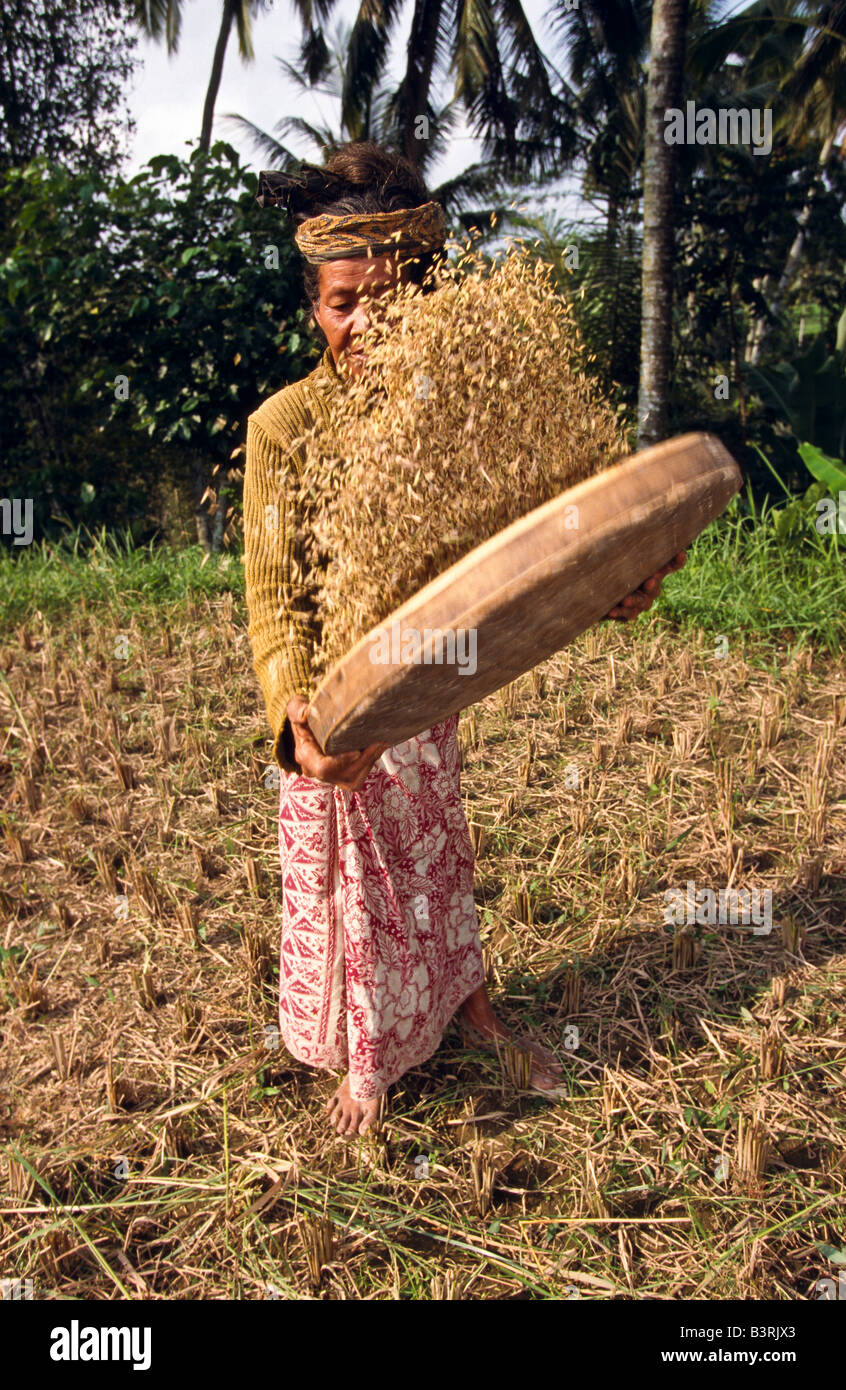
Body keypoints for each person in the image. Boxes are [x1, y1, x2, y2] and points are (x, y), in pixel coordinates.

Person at [244, 141, 685, 1135]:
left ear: (427, 296)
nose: (364, 324)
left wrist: (618, 580)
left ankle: (470, 1008)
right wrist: (297, 717)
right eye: (341, 301)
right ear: (314, 305)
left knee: (437, 863)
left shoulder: (460, 407)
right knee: (356, 885)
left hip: (429, 687)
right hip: (337, 707)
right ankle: (367, 1063)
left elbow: (536, 543)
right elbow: (273, 599)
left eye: (386, 298)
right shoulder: (283, 427)